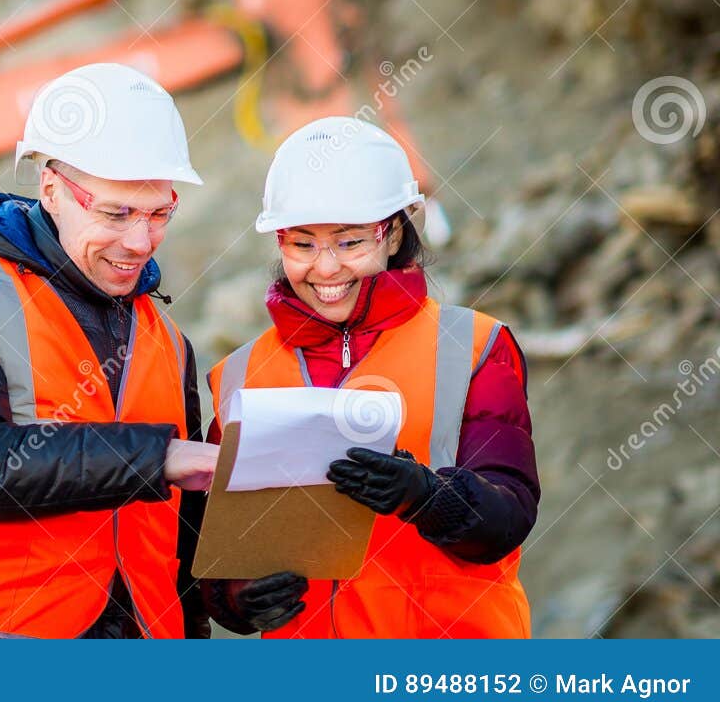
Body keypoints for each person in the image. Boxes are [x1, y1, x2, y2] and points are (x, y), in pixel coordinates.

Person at [0, 62, 219, 638]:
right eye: (116, 213)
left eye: (160, 213)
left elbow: (179, 546)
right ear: (52, 189)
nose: (140, 242)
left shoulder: (167, 344)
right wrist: (155, 457)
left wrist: (235, 595)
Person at [201, 117, 539, 638]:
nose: (327, 268)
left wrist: (427, 497)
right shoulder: (240, 377)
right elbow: (213, 544)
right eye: (302, 244)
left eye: (350, 241)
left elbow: (508, 516)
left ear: (395, 232)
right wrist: (237, 597)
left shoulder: (471, 347)